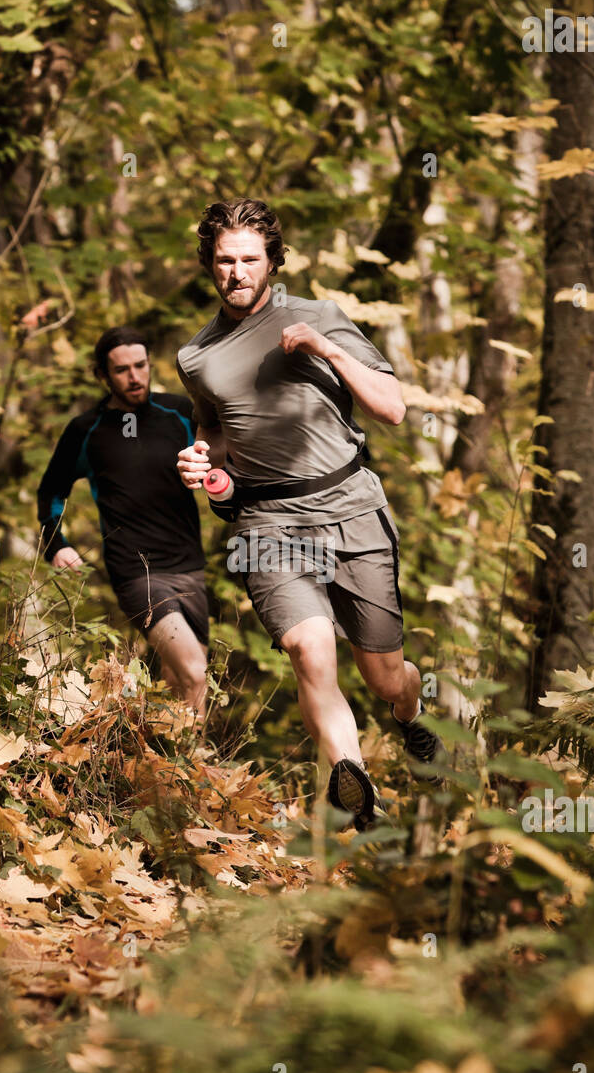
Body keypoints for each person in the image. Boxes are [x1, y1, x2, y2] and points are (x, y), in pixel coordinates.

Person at [175, 198, 443, 829]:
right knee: (308, 646)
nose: (236, 273)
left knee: (383, 677)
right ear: (209, 266)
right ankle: (355, 786)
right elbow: (215, 428)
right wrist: (202, 462)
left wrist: (328, 349)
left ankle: (410, 713)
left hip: (353, 510)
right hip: (268, 522)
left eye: (248, 260)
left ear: (272, 261)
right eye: (223, 262)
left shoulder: (319, 316)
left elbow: (392, 407)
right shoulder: (198, 356)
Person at [37, 326, 209, 715]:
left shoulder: (180, 413)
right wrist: (56, 544)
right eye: (121, 370)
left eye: (140, 365)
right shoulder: (87, 431)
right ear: (103, 375)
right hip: (136, 571)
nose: (134, 377)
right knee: (195, 672)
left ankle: (165, 763)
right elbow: (51, 491)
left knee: (176, 679)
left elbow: (219, 461)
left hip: (189, 564)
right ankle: (194, 764)